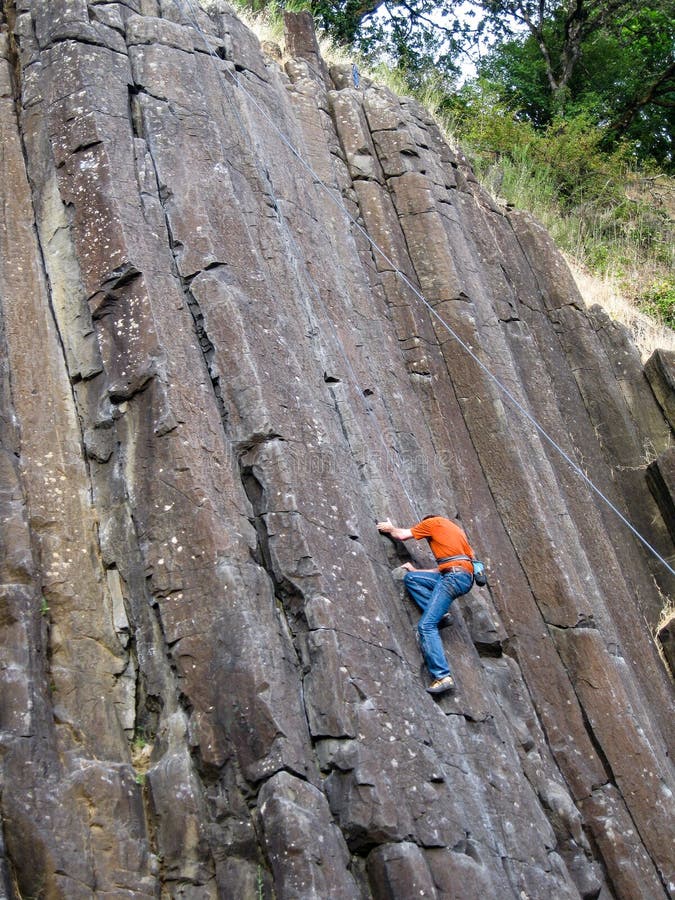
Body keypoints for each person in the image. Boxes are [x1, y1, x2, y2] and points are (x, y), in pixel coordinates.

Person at [377, 515, 475, 694]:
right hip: (460, 575)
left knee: (426, 626)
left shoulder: (432, 523)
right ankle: (442, 615)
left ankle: (442, 676)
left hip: (453, 577)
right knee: (412, 578)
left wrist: (390, 528)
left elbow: (402, 535)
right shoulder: (455, 532)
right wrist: (416, 570)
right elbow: (441, 569)